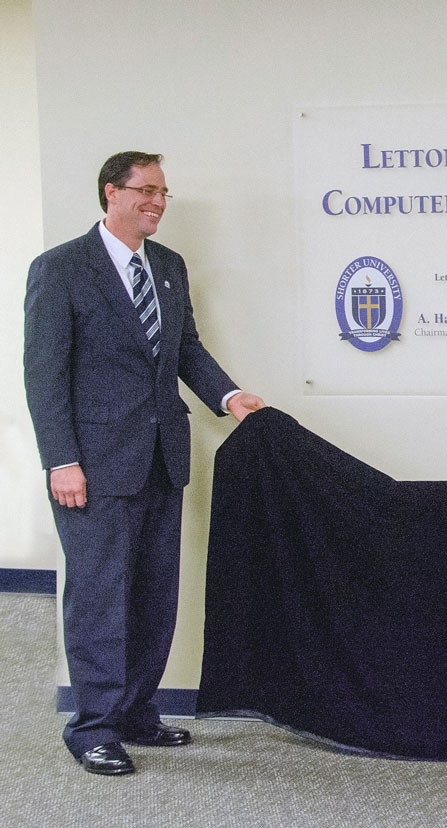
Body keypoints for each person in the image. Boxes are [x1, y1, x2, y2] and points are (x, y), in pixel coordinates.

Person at [23, 151, 266, 776]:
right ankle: (94, 727)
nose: (158, 202)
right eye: (147, 190)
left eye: (164, 193)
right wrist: (61, 461)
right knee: (101, 597)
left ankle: (135, 713)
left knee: (155, 595)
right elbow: (45, 377)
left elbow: (184, 347)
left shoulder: (167, 266)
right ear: (112, 193)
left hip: (162, 459)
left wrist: (228, 395)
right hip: (93, 467)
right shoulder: (60, 269)